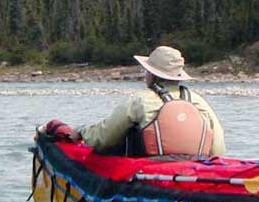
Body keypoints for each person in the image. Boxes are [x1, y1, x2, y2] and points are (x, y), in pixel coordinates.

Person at [40, 46, 226, 159]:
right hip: (193, 171)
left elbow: (105, 136)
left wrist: (81, 132)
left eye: (147, 71)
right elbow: (218, 148)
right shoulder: (199, 101)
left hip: (149, 176)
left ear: (153, 75)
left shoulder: (141, 100)